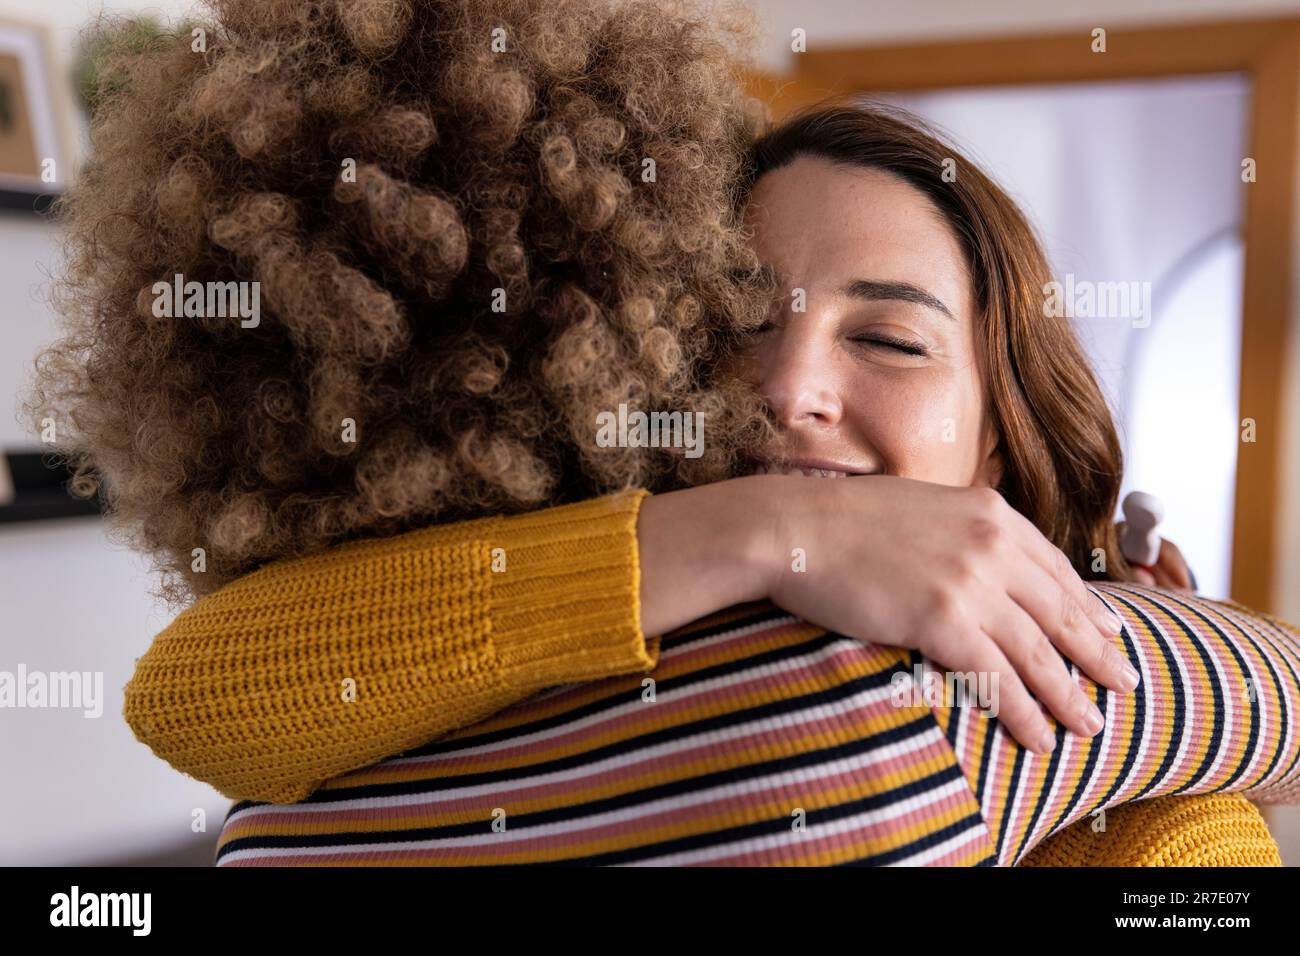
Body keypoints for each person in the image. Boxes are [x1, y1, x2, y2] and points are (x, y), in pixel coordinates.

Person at [27, 0, 1297, 864]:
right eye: (734, 320)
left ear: (1003, 439)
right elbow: (200, 694)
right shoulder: (574, 574)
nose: (788, 385)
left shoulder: (1112, 731)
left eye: (890, 338)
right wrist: (762, 527)